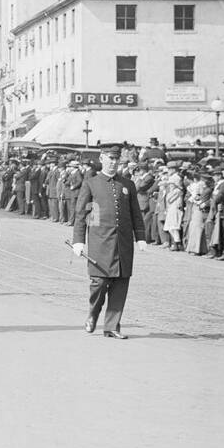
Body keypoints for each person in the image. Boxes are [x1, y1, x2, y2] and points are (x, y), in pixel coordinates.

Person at [72, 142, 147, 339]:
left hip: (122, 244)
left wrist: (140, 237)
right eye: (110, 159)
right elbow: (82, 214)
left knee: (120, 283)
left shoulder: (127, 185)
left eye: (116, 159)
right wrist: (79, 240)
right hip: (100, 243)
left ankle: (112, 326)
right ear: (102, 159)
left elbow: (135, 214)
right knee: (99, 282)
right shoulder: (91, 183)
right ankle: (93, 313)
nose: (113, 163)